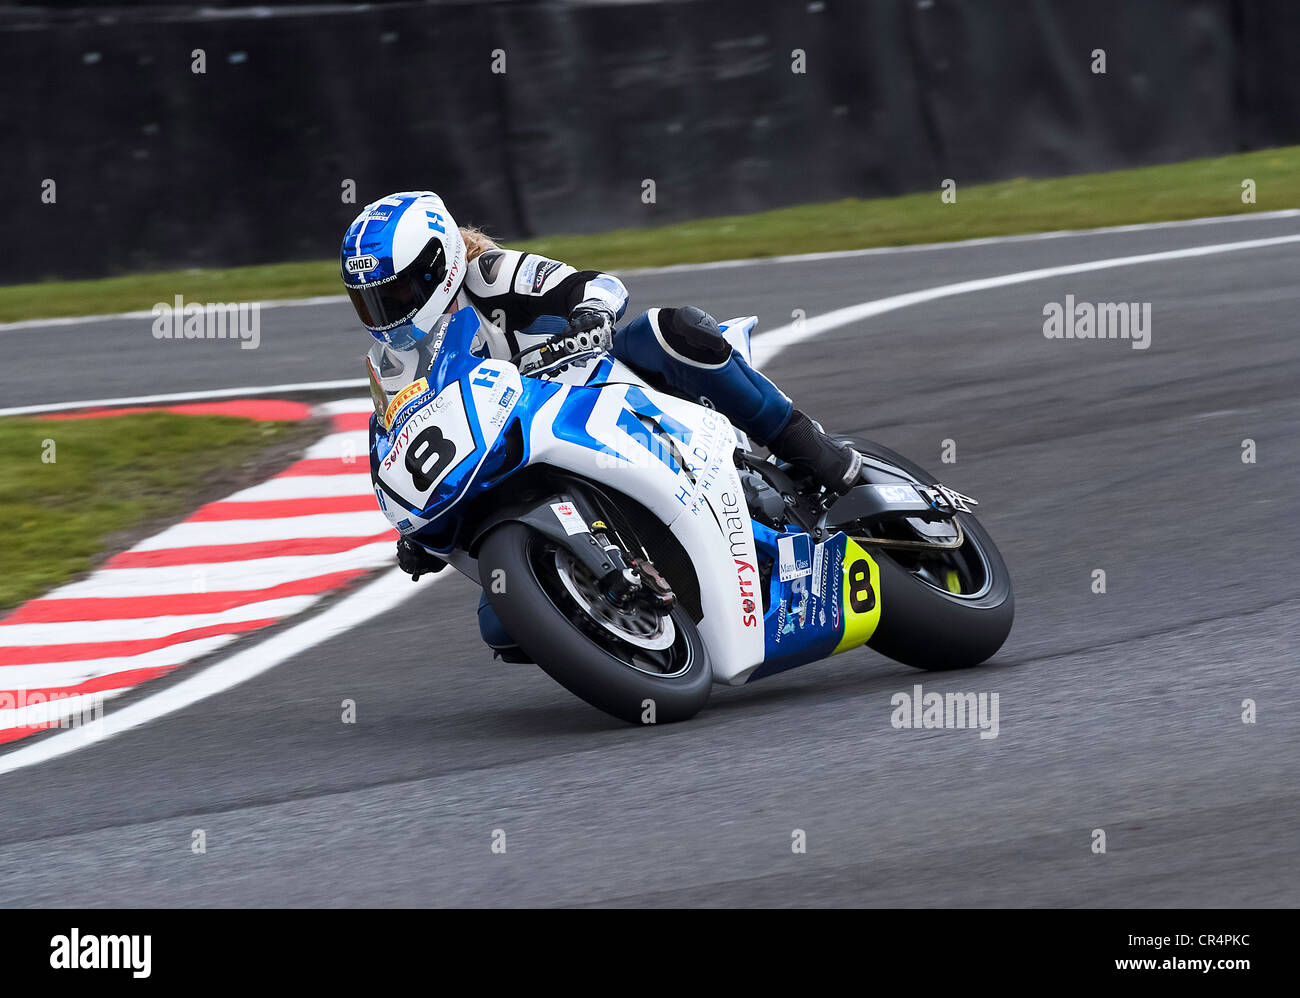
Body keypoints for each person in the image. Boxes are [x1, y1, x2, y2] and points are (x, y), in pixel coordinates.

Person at [341, 190, 861, 658]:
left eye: (399, 292)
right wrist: (422, 531)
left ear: (439, 267)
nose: (386, 312)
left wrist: (590, 314)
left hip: (592, 387)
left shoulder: (493, 275)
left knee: (671, 331)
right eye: (370, 300)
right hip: (519, 455)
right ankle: (611, 611)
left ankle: (809, 446)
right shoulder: (391, 364)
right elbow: (406, 434)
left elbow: (595, 285)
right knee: (500, 622)